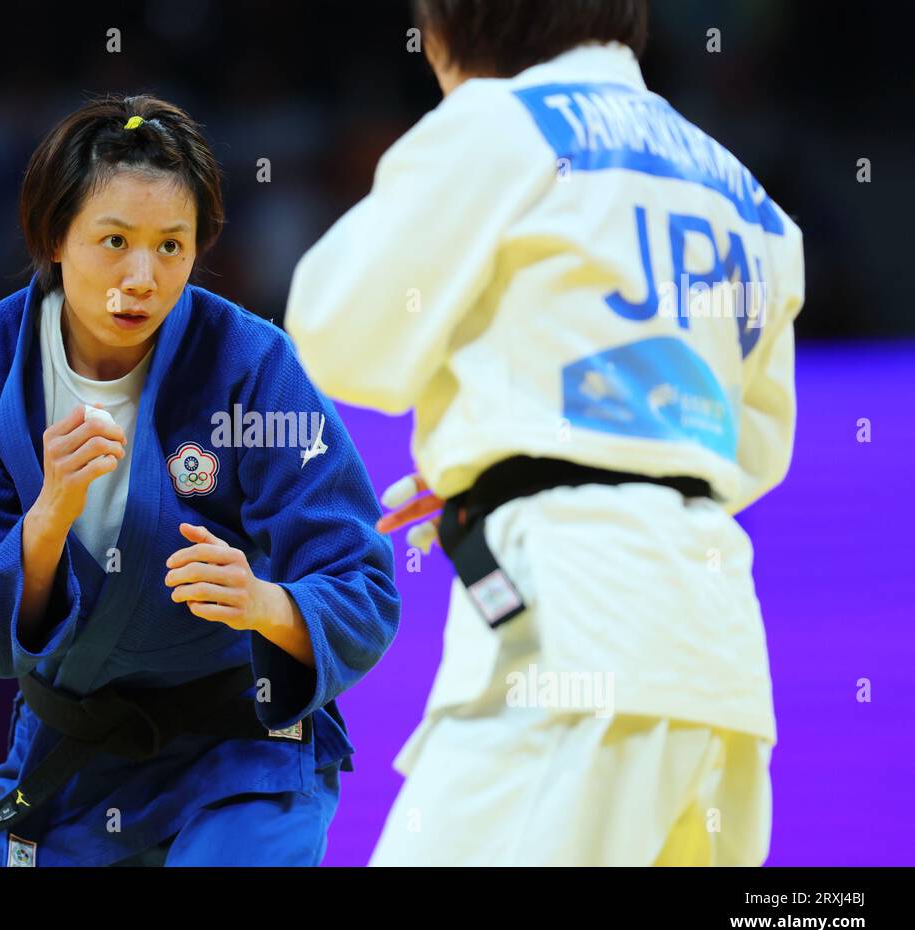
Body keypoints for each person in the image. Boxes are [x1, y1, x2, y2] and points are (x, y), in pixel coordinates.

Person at [285, 0, 804, 865]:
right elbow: (746, 449)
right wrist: (510, 449)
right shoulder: (743, 192)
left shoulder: (496, 124)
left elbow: (335, 333)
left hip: (572, 638)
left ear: (452, 32)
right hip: (720, 661)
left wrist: (523, 459)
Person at [0, 94, 399, 867]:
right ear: (54, 237)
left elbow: (363, 585)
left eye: (172, 246)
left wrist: (267, 603)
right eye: (115, 241)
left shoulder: (251, 365)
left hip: (243, 757)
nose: (143, 277)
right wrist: (46, 521)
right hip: (73, 762)